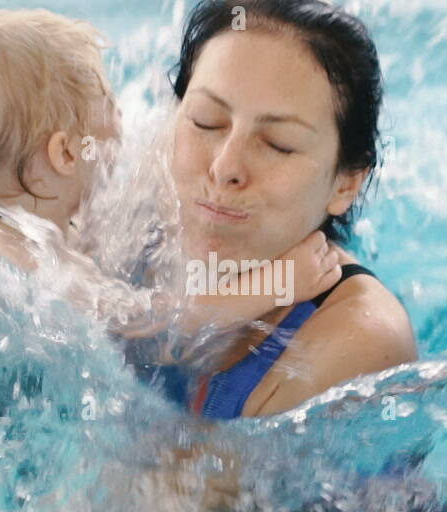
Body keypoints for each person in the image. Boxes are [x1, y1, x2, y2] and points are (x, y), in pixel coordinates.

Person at [0, 8, 342, 340]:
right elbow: (148, 322)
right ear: (67, 153)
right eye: (109, 105)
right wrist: (270, 286)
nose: (122, 118)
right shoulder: (32, 266)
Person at [168, 0, 418, 418]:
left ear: (345, 183)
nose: (225, 167)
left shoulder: (362, 337)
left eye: (278, 144)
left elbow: (186, 480)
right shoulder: (126, 218)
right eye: (206, 121)